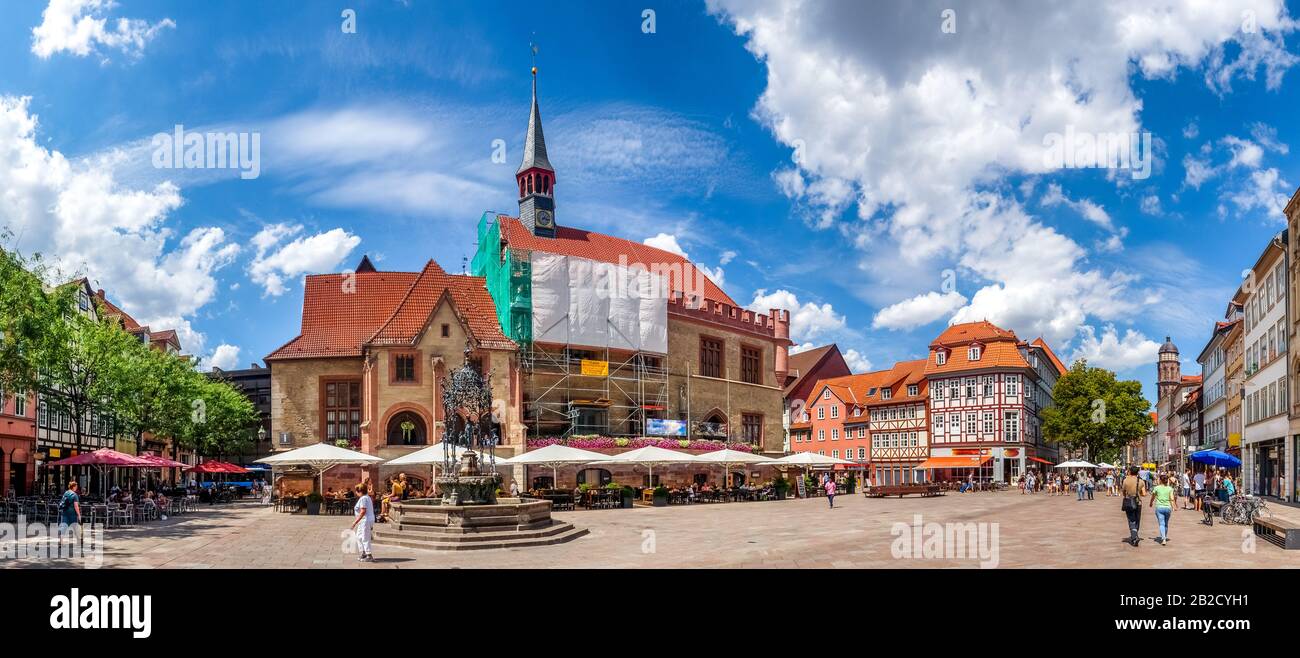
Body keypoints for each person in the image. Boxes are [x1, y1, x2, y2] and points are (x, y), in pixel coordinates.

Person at [1121, 466, 1148, 547]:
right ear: (1137, 472)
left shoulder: (1125, 480)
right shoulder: (1141, 481)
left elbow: (1123, 492)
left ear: (1130, 471)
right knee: (1137, 519)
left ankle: (1134, 536)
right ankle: (1135, 534)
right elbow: (1144, 494)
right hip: (1138, 503)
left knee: (1131, 519)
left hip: (1129, 502)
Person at [350, 483, 374, 562]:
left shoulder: (363, 498)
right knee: (359, 536)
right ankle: (363, 552)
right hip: (364, 520)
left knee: (364, 537)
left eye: (356, 491)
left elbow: (363, 511)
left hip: (365, 520)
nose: (356, 493)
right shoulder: (367, 497)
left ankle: (369, 554)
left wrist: (355, 522)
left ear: (359, 491)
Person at [1150, 474, 1176, 546]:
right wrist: (1173, 506)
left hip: (1159, 507)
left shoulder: (1157, 488)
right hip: (1168, 508)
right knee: (1166, 523)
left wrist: (1151, 503)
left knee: (1161, 523)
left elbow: (1153, 497)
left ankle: (1163, 538)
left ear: (1160, 480)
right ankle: (1165, 536)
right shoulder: (1170, 488)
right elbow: (1172, 498)